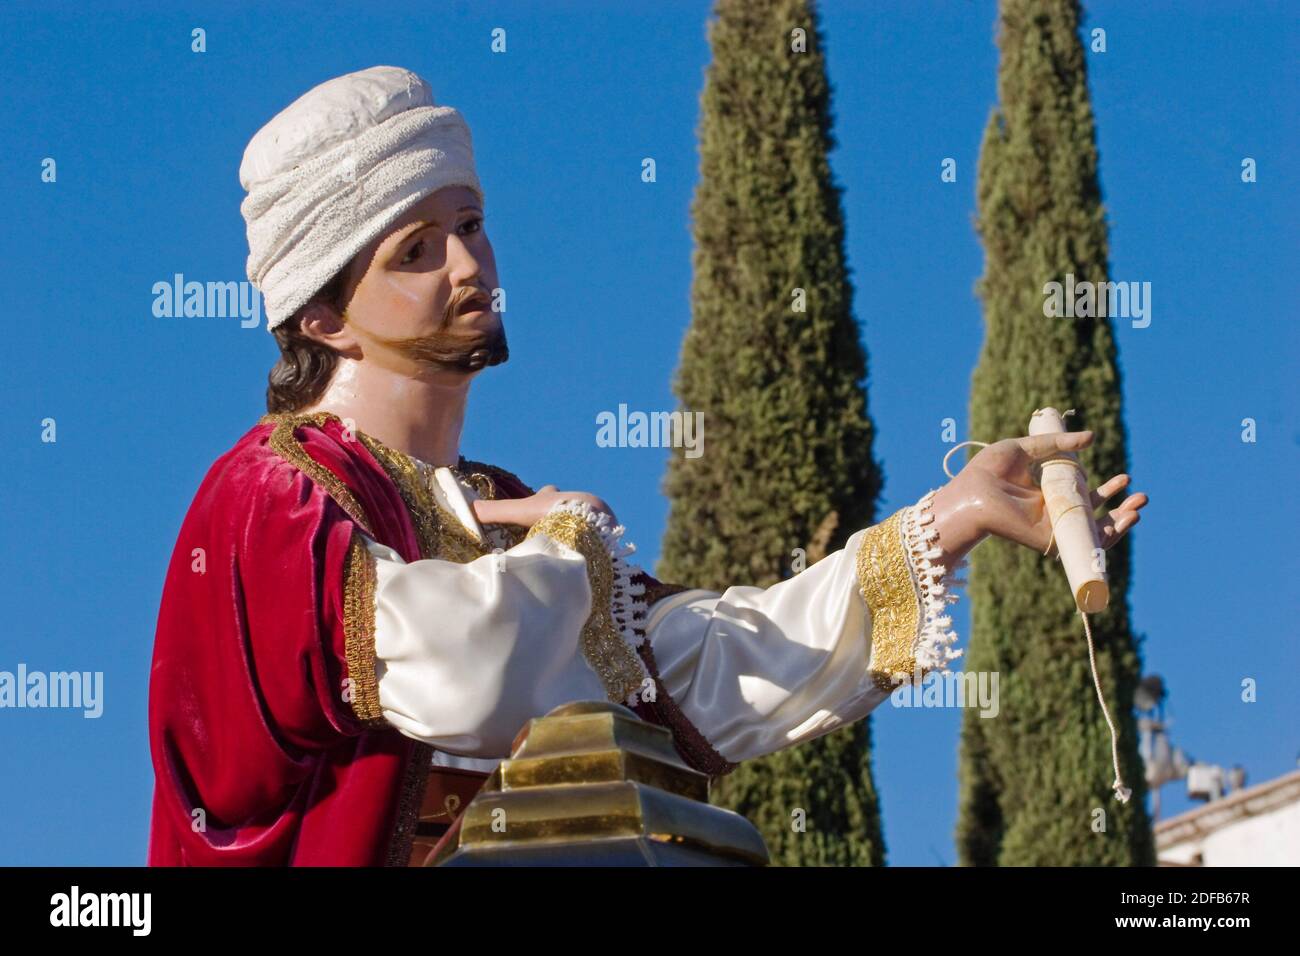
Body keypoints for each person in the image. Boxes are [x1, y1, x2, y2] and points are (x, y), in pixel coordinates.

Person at [146, 65, 1147, 866]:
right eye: (416, 249)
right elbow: (467, 671)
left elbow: (705, 667)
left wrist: (954, 511)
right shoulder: (272, 498)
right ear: (320, 314)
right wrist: (569, 538)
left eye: (469, 224)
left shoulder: (495, 503)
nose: (467, 264)